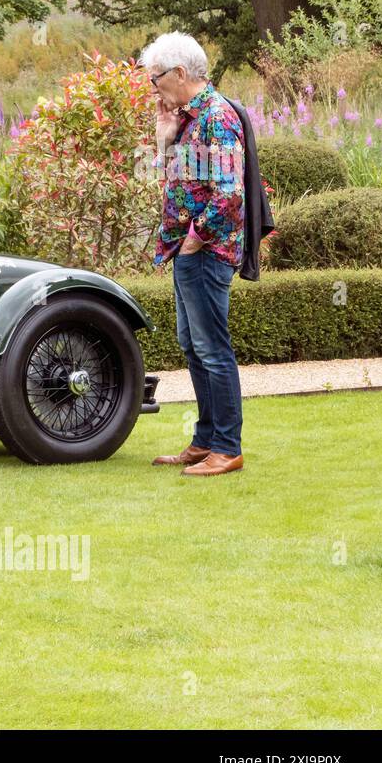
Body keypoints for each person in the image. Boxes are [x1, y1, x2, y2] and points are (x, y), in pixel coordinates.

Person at [141, 32, 245, 476]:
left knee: (212, 348)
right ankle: (205, 441)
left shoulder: (217, 117)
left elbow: (229, 193)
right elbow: (177, 180)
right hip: (187, 251)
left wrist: (194, 239)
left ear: (180, 73)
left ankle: (227, 447)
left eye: (156, 79)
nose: (154, 88)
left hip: (204, 251)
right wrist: (165, 141)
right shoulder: (188, 119)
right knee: (193, 345)